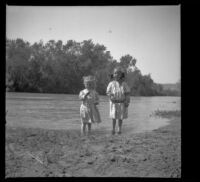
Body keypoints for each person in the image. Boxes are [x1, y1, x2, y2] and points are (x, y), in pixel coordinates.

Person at [106, 67, 130, 135]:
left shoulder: (124, 84)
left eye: (118, 73)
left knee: (120, 117)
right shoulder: (111, 83)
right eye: (115, 73)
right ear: (113, 74)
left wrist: (127, 101)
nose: (117, 74)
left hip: (122, 103)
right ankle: (113, 129)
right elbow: (108, 92)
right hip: (113, 103)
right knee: (113, 117)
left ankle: (119, 129)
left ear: (121, 75)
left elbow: (127, 93)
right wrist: (110, 96)